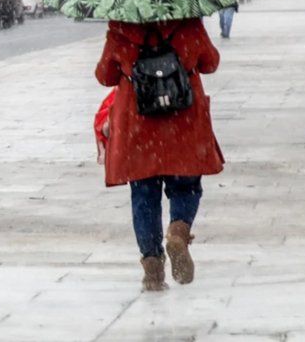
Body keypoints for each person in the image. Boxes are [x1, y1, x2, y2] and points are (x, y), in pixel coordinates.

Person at [95, 19, 223, 291]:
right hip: (183, 123)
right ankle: (178, 230)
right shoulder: (189, 24)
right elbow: (210, 63)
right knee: (186, 187)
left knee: (144, 196)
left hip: (138, 127)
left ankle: (152, 269)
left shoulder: (120, 29)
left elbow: (105, 76)